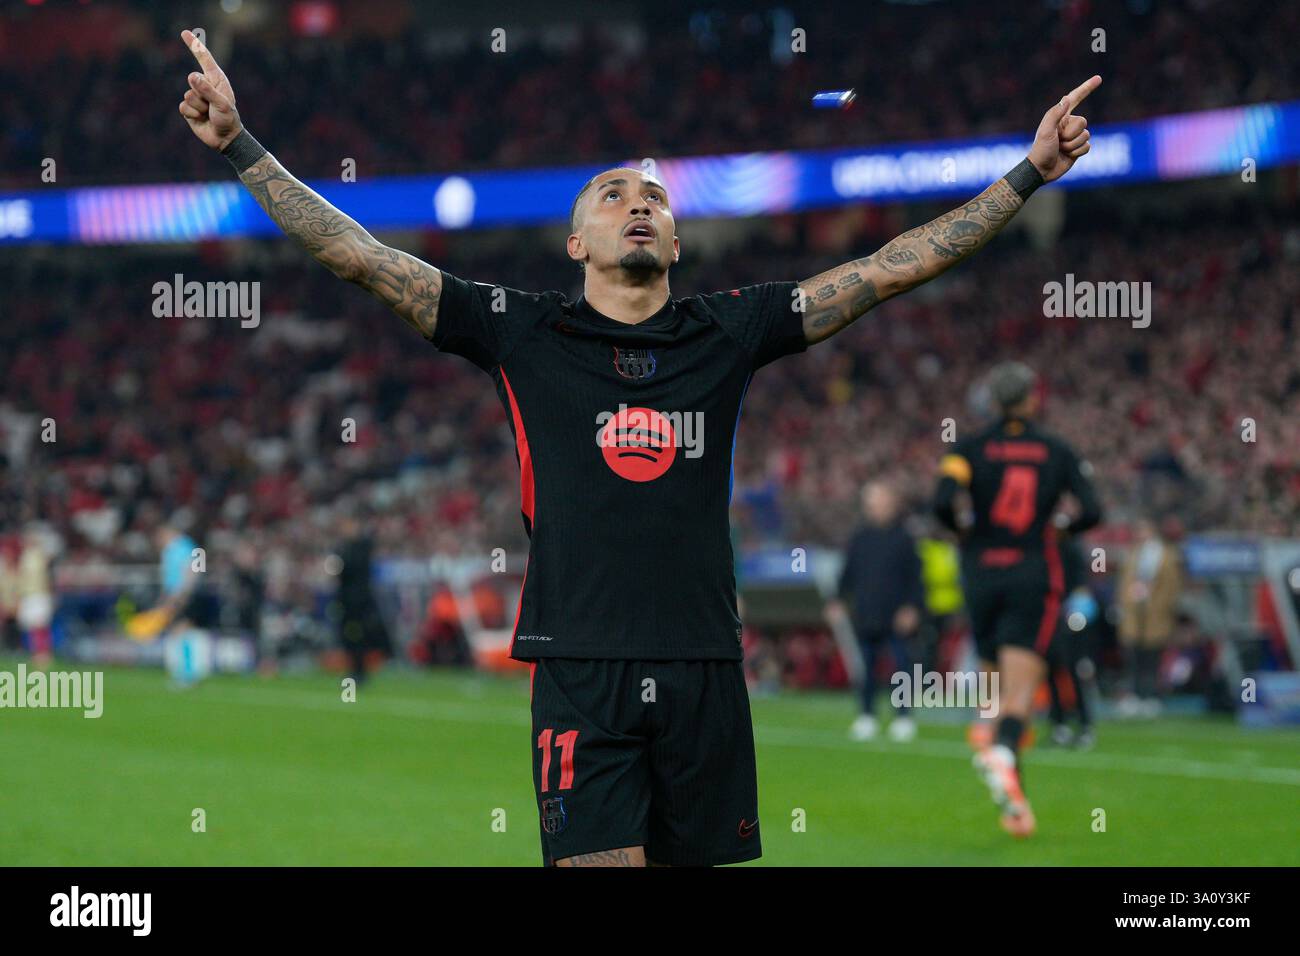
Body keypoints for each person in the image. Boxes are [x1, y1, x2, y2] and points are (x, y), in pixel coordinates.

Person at [176, 29, 1098, 865]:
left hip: (703, 662)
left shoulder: (728, 331)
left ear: (680, 238)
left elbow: (887, 269)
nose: (639, 205)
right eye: (614, 197)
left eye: (654, 197)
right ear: (577, 241)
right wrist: (242, 148)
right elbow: (361, 256)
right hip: (579, 664)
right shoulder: (521, 332)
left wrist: (1025, 174)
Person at [933, 362, 1101, 837]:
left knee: (992, 690)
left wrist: (966, 531)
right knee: (1021, 691)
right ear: (1032, 398)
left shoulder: (966, 448)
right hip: (1031, 570)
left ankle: (1015, 805)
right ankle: (1005, 753)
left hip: (981, 571)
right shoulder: (1057, 450)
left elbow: (942, 502)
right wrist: (1060, 527)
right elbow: (1093, 509)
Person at [825, 481, 924, 743]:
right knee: (865, 669)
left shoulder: (904, 538)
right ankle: (867, 715)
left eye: (880, 502)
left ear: (892, 504)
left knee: (901, 668)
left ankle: (903, 717)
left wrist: (912, 608)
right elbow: (847, 574)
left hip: (896, 616)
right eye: (871, 503)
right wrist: (837, 600)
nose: (876, 508)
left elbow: (916, 578)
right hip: (867, 615)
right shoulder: (860, 538)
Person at [1116, 518, 1184, 717]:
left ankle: (1151, 696)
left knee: (1152, 657)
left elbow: (1172, 586)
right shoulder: (1132, 553)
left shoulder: (1166, 555)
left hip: (1156, 613)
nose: (1140, 535)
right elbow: (1124, 582)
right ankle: (1135, 695)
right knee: (1134, 656)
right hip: (1135, 612)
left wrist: (1160, 606)